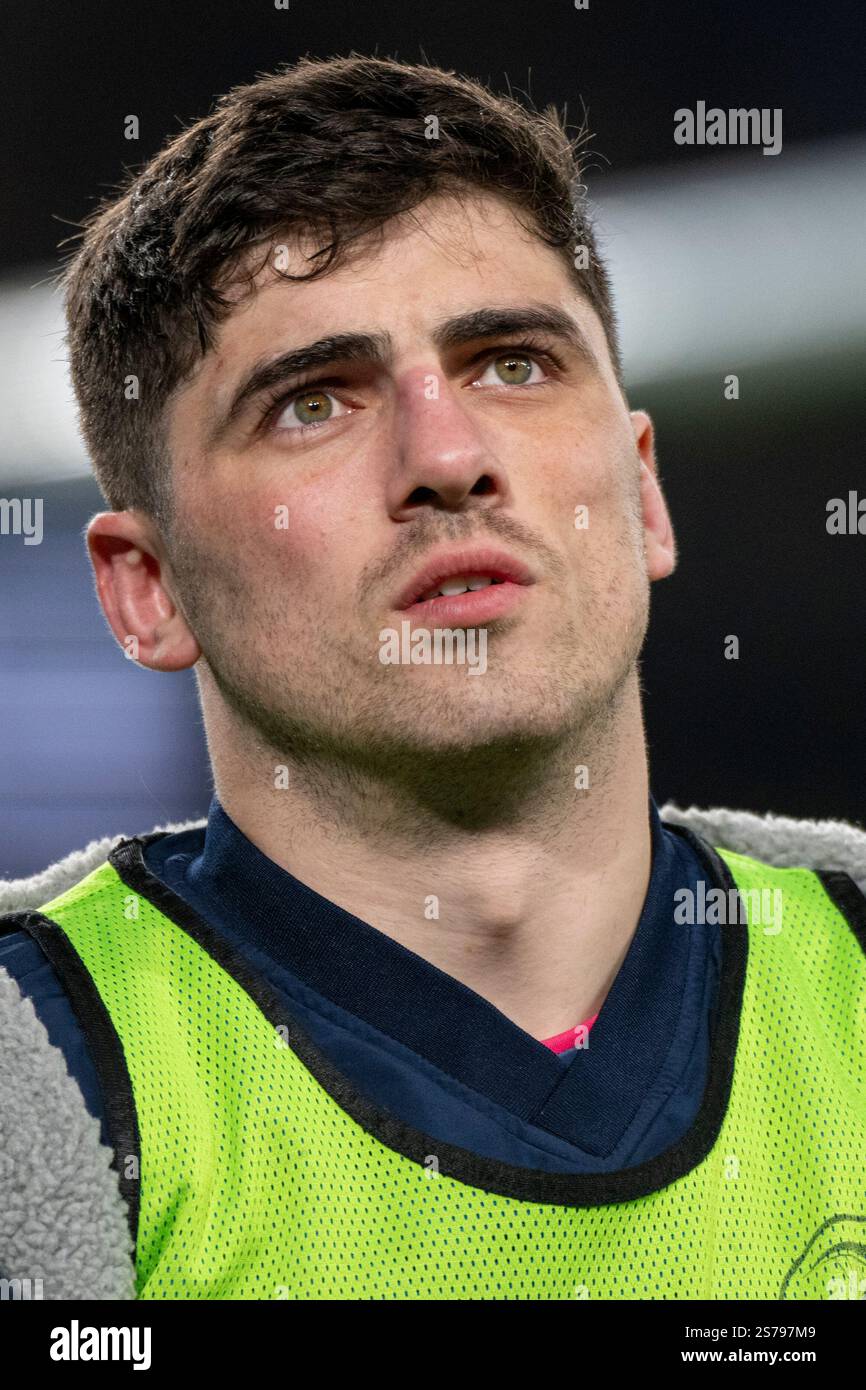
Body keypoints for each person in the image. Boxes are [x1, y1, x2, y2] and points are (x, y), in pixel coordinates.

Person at [1, 54, 864, 1302]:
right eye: (311, 402)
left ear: (644, 494)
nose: (446, 455)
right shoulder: (46, 1069)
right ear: (150, 588)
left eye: (511, 363)